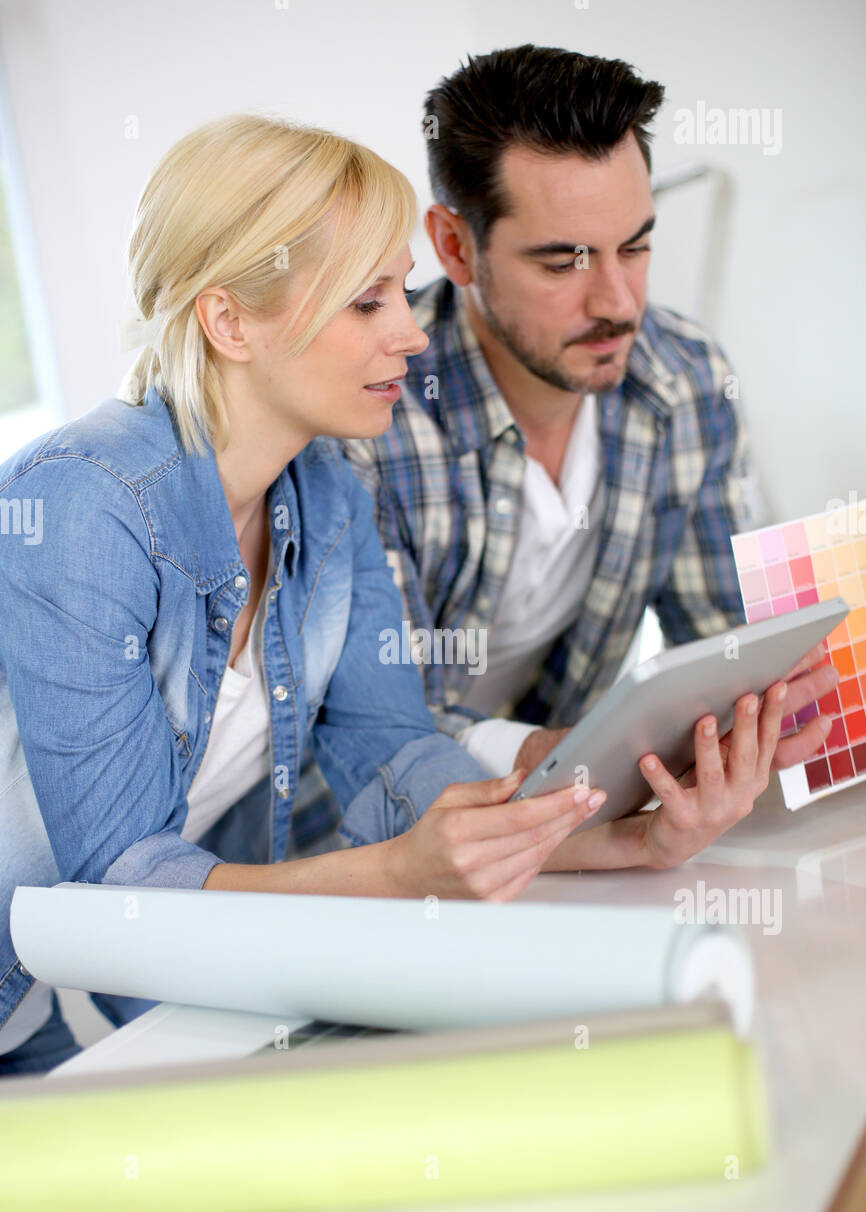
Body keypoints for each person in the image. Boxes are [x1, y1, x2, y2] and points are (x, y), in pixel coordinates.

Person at [0, 112, 794, 1076]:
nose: (415, 334)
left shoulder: (327, 491)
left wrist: (619, 838)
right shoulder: (84, 503)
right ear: (229, 321)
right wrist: (391, 875)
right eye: (367, 303)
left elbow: (391, 752)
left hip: (61, 997)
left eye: (402, 293)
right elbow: (117, 884)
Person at [289, 44, 837, 861]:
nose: (618, 302)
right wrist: (544, 756)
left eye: (636, 246)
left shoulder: (683, 382)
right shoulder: (367, 418)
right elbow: (375, 724)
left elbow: (723, 639)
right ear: (455, 246)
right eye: (563, 261)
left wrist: (760, 719)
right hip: (345, 853)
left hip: (573, 836)